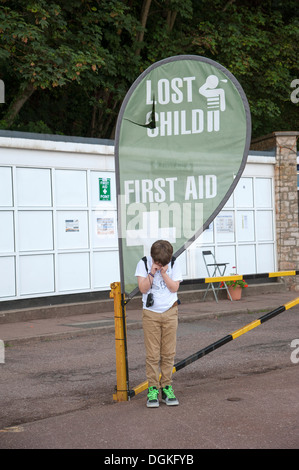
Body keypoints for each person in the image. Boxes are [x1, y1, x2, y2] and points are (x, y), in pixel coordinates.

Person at [135, 240, 182, 408]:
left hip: (170, 311)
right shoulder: (143, 263)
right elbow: (143, 289)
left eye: (164, 262)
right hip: (151, 313)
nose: (161, 264)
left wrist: (165, 273)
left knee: (169, 353)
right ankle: (153, 390)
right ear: (153, 258)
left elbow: (174, 288)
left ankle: (167, 387)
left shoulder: (174, 263)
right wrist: (152, 273)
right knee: (153, 355)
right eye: (158, 262)